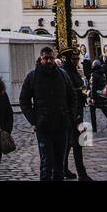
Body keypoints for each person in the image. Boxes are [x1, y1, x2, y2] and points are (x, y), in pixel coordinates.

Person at [18, 45, 76, 181]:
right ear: (41, 59)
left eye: (51, 58)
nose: (48, 61)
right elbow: (24, 100)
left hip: (61, 125)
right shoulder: (33, 76)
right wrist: (34, 119)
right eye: (45, 58)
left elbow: (72, 96)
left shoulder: (62, 74)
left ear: (54, 58)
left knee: (59, 165)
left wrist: (69, 116)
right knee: (46, 163)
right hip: (43, 126)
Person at [59, 46, 92, 181]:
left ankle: (64, 169)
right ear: (67, 59)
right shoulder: (65, 72)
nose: (76, 61)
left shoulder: (73, 71)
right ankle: (81, 173)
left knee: (73, 143)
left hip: (78, 110)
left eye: (77, 59)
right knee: (76, 143)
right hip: (71, 113)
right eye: (73, 59)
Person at [88, 56, 107, 132]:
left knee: (92, 110)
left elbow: (93, 87)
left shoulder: (94, 74)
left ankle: (94, 128)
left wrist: (92, 97)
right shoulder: (102, 73)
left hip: (97, 96)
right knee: (104, 109)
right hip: (102, 95)